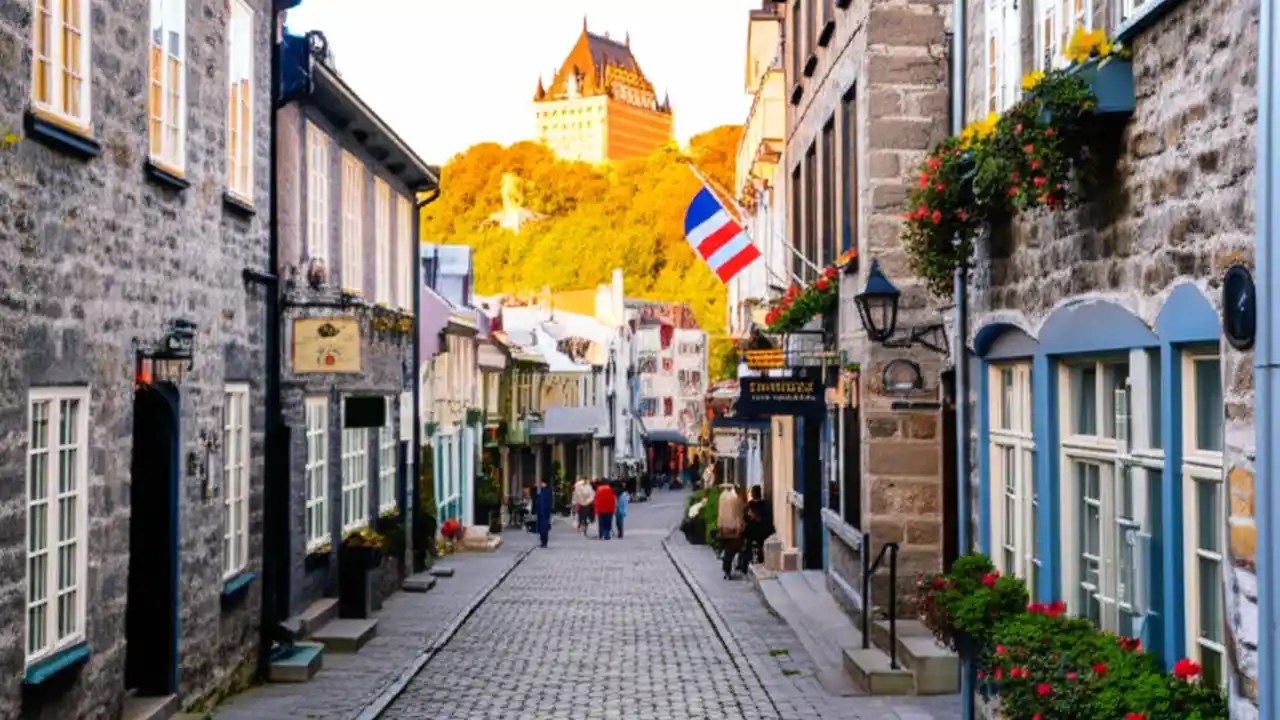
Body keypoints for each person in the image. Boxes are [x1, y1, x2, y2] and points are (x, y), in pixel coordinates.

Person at [717, 483, 746, 579]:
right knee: (732, 551)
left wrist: (720, 528)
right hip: (734, 530)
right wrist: (739, 528)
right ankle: (732, 569)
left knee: (728, 551)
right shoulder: (736, 499)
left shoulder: (722, 498)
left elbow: (720, 515)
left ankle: (727, 570)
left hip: (724, 529)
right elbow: (738, 515)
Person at [744, 485, 773, 566]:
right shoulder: (751, 504)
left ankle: (754, 559)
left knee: (751, 543)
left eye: (752, 492)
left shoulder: (763, 505)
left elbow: (764, 518)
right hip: (754, 529)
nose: (752, 494)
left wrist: (756, 518)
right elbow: (745, 515)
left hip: (759, 530)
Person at [533, 478, 553, 548]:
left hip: (543, 512)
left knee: (543, 527)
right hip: (544, 512)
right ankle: (544, 541)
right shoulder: (541, 491)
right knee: (543, 527)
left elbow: (535, 502)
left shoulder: (541, 491)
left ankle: (544, 541)